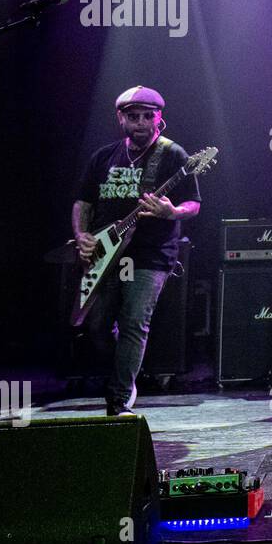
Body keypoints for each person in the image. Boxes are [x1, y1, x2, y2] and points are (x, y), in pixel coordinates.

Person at [72, 86, 201, 415]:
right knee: (96, 327)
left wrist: (171, 211)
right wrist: (82, 235)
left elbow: (193, 204)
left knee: (133, 322)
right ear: (121, 118)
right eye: (133, 116)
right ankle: (126, 362)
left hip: (150, 253)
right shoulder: (103, 156)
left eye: (147, 116)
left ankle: (118, 398)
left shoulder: (173, 155)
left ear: (159, 118)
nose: (141, 122)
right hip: (105, 253)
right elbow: (83, 203)